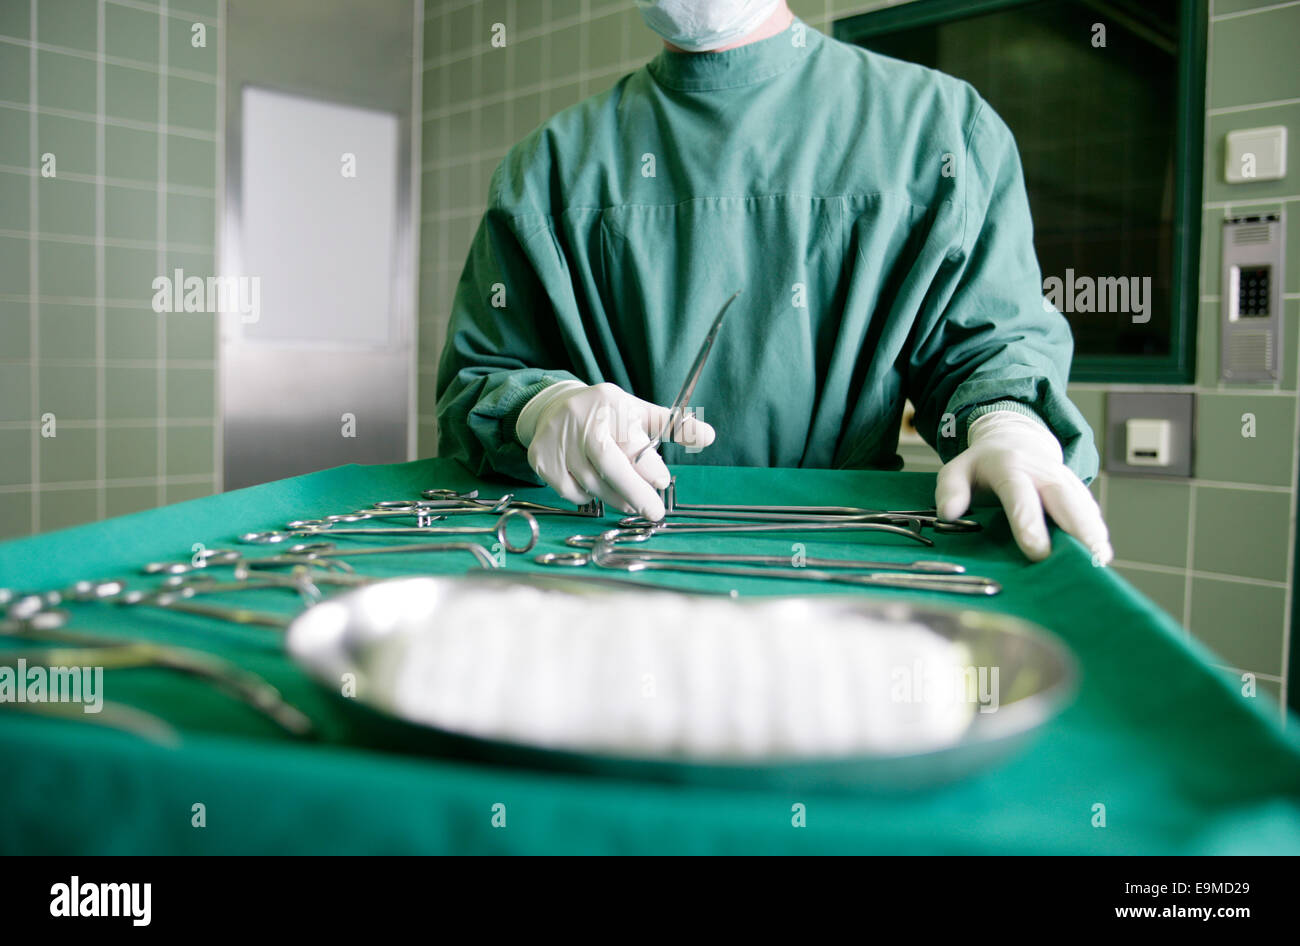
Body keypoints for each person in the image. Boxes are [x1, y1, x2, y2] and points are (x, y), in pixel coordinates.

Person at [436, 0, 1113, 565]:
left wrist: (1005, 423)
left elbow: (986, 348)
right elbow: (483, 376)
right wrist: (542, 410)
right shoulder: (551, 166)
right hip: (610, 564)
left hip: (846, 565)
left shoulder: (936, 132)